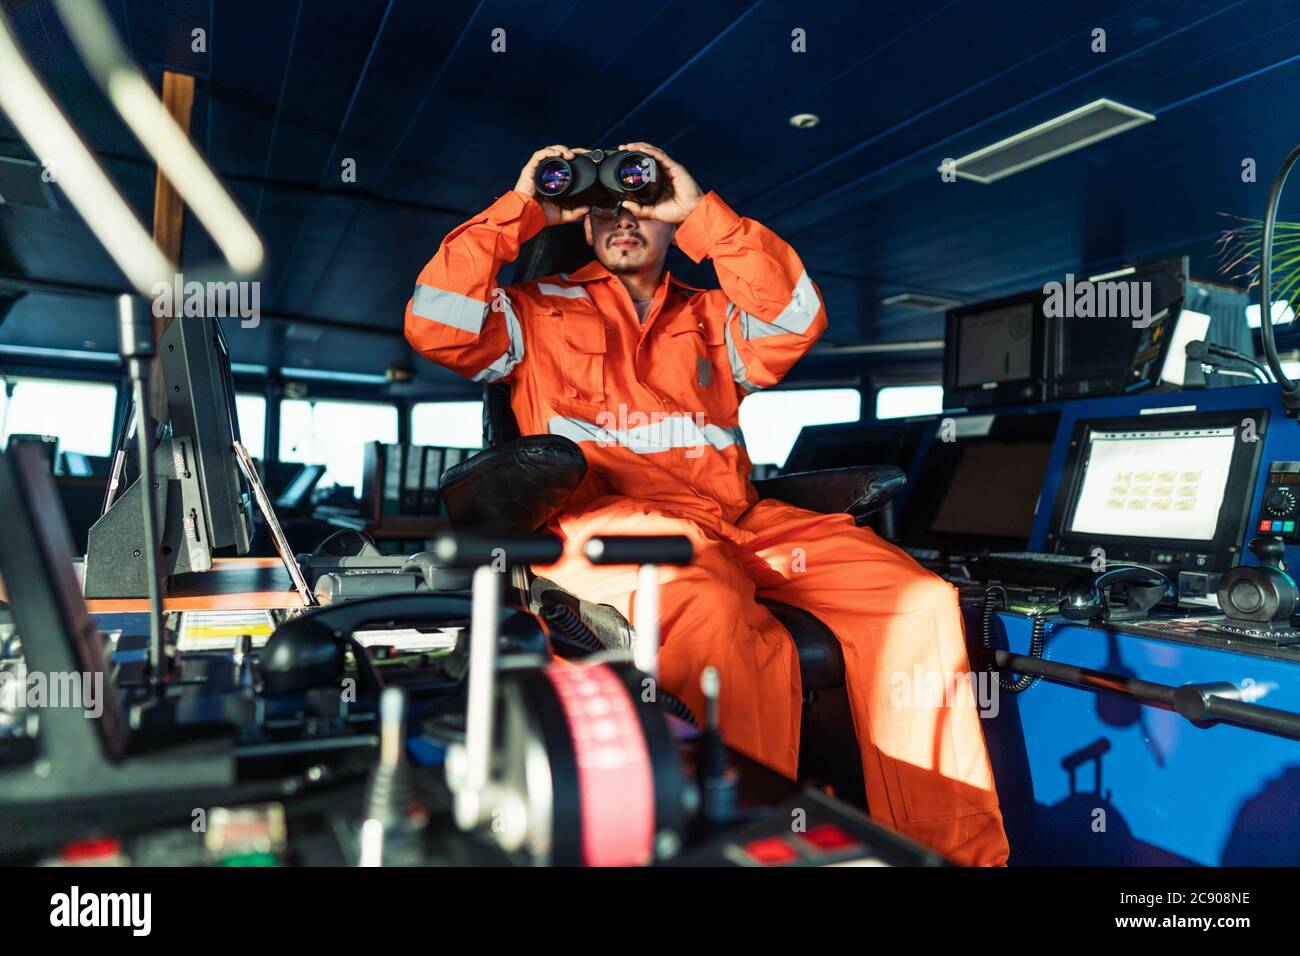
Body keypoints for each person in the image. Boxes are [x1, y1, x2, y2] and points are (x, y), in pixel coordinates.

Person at [404, 142, 1009, 865]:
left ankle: (949, 853)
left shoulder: (716, 316)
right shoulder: (530, 313)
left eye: (642, 206)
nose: (622, 219)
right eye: (603, 210)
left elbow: (797, 316)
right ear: (581, 225)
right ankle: (745, 846)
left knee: (918, 599)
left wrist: (700, 213)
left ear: (667, 223)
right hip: (608, 522)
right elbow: (436, 322)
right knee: (712, 602)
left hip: (738, 520)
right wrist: (522, 208)